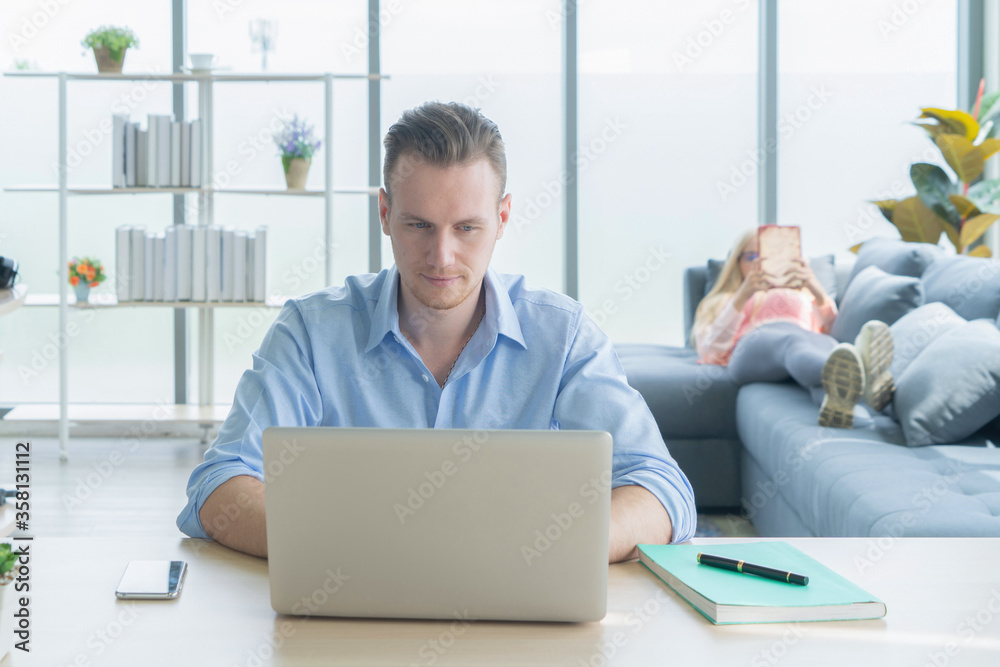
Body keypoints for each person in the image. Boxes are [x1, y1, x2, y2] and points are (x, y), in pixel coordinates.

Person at [177, 101, 696, 562]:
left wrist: (549, 552)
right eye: (419, 225)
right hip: (347, 608)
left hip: (519, 613)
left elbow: (660, 488)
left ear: (503, 218)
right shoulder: (311, 333)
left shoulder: (563, 338)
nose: (442, 256)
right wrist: (353, 552)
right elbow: (220, 485)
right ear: (385, 214)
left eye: (466, 228)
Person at [691, 230, 894, 428]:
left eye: (770, 256)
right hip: (756, 345)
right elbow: (710, 350)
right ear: (736, 263)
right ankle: (863, 379)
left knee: (827, 349)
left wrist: (815, 288)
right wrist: (743, 295)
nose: (761, 264)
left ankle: (850, 413)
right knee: (793, 343)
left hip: (806, 343)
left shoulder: (803, 295)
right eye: (752, 257)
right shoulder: (727, 299)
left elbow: (834, 329)